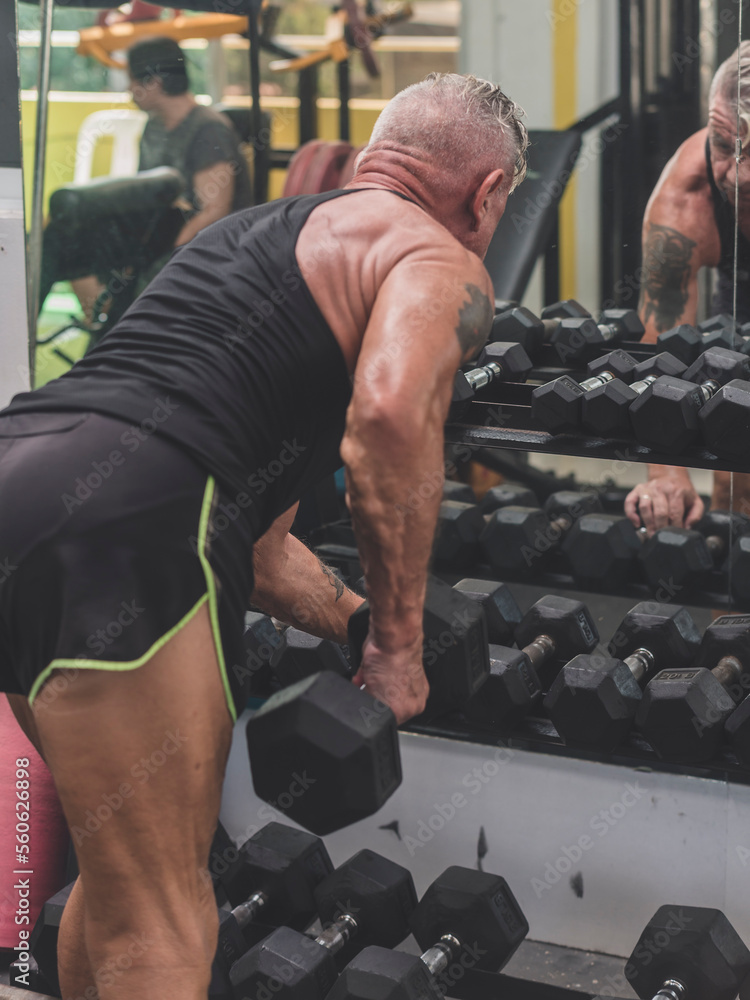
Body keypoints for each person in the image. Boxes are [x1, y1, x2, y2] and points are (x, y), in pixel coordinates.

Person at [0, 73, 528, 1000]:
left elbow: (258, 547)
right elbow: (393, 424)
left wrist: (361, 622)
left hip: (26, 476)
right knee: (170, 914)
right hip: (134, 523)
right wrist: (402, 649)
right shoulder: (437, 257)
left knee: (118, 888)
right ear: (487, 196)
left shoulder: (257, 237)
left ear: (374, 156)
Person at [625, 43, 750, 535]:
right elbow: (662, 351)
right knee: (737, 483)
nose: (737, 175)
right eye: (724, 143)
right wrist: (667, 474)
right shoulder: (686, 195)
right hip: (738, 299)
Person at [63, 35, 253, 322]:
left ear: (154, 83)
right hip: (160, 235)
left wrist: (156, 257)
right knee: (69, 235)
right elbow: (148, 196)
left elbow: (214, 212)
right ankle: (107, 323)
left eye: (133, 80)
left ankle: (121, 326)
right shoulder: (154, 127)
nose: (129, 88)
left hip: (204, 249)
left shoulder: (209, 130)